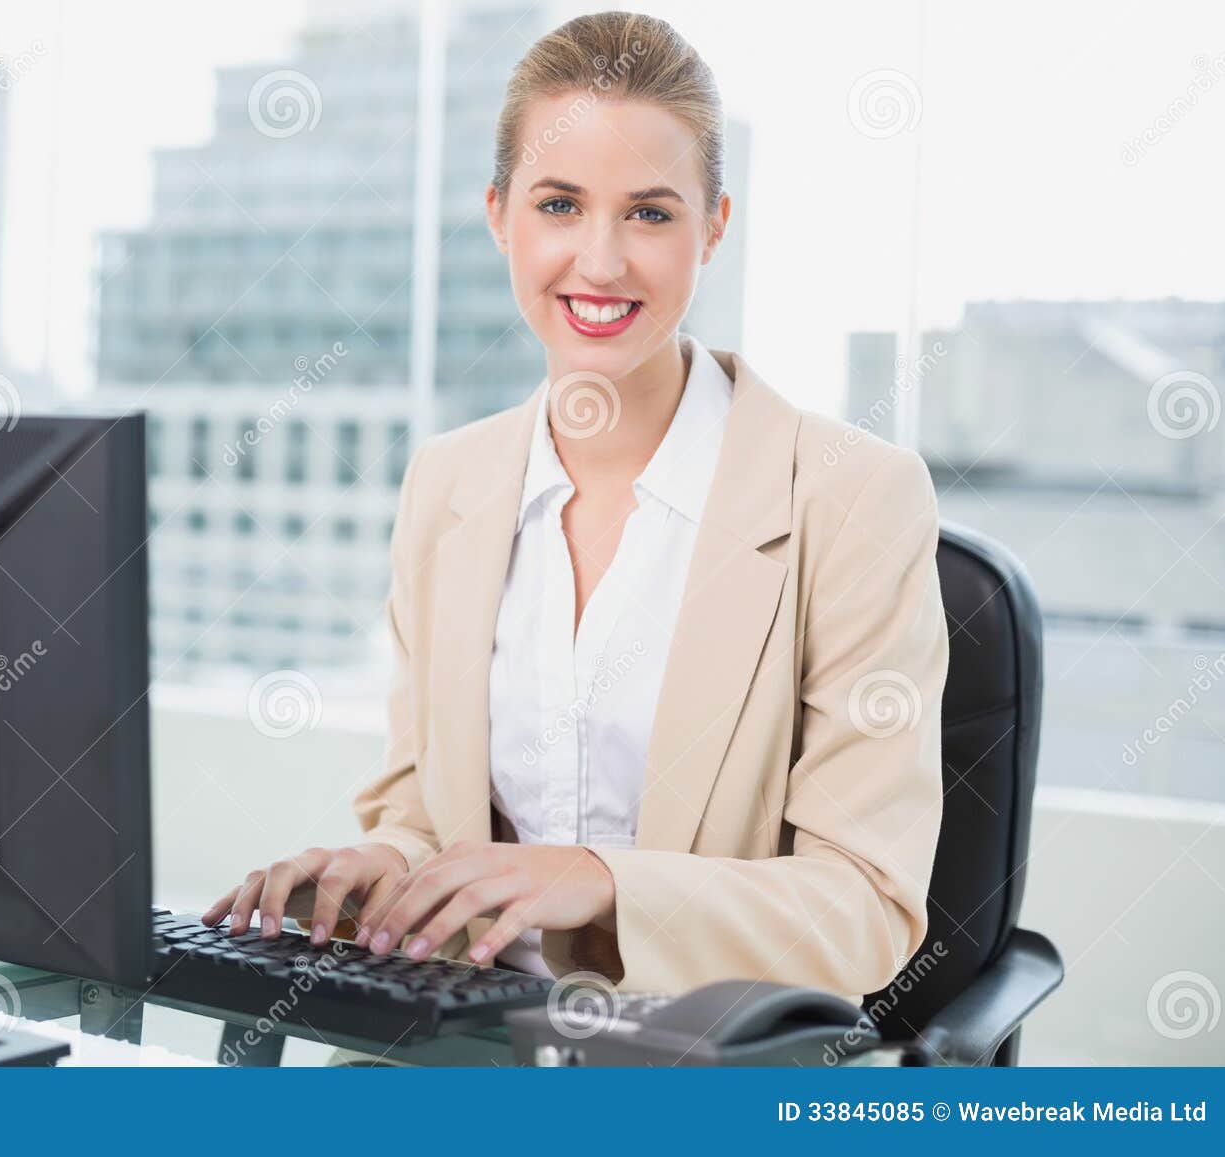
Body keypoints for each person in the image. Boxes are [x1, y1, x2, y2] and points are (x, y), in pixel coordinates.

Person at [203, 10, 948, 998]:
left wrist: (597, 881)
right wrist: (384, 868)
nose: (599, 262)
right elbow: (423, 812)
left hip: (692, 1068)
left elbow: (863, 906)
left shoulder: (853, 497)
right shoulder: (449, 485)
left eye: (649, 213)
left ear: (712, 226)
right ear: (498, 213)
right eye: (559, 204)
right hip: (467, 1044)